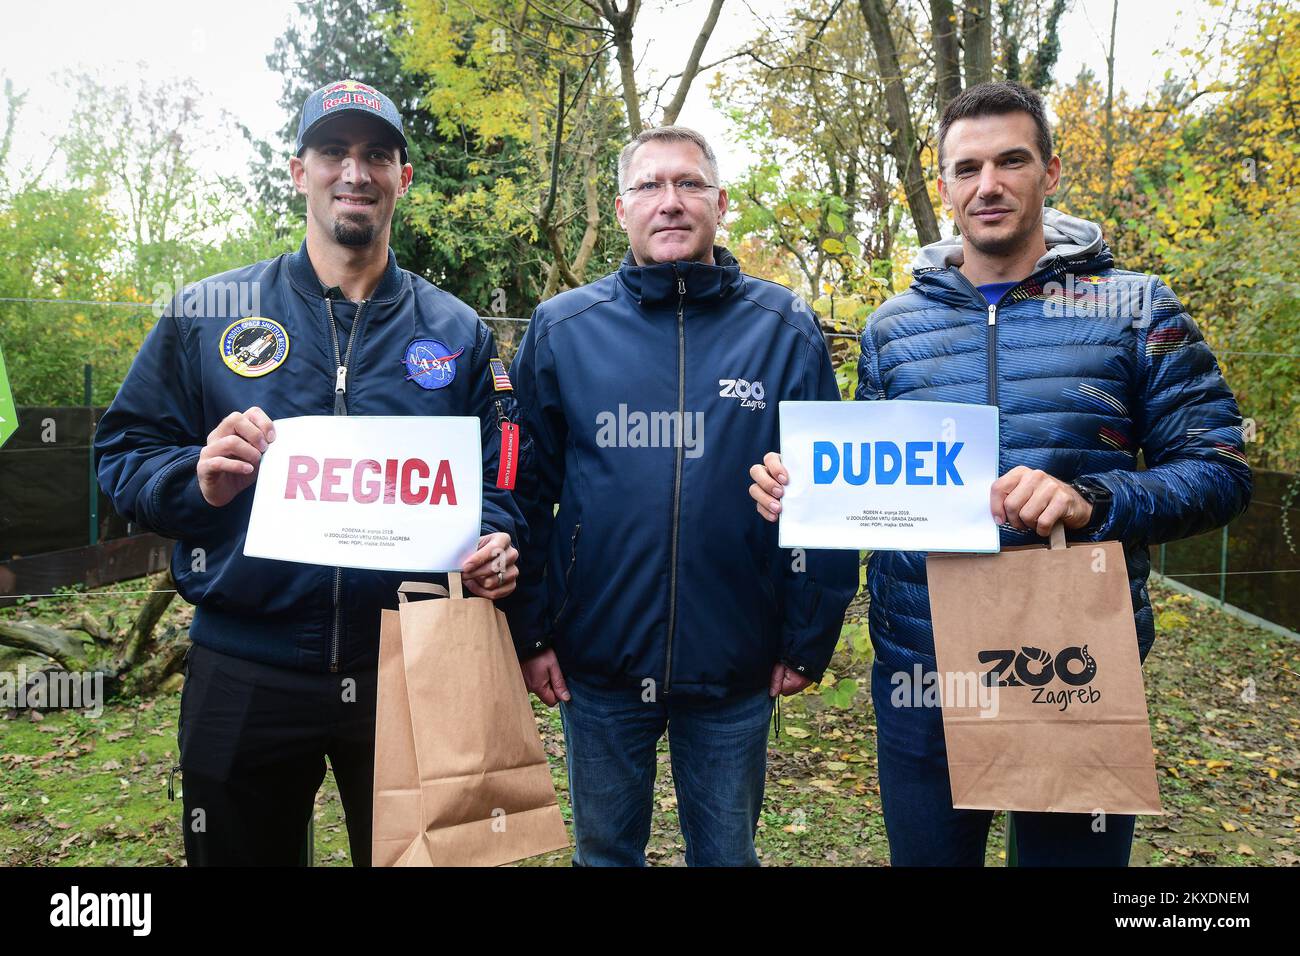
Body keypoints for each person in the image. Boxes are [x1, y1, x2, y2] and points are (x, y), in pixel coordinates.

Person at [747, 81, 1252, 866]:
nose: (990, 184)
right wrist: (803, 494)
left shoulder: (1132, 306)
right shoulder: (893, 328)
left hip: (1071, 664)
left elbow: (1220, 470)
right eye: (968, 167)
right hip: (924, 671)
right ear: (944, 187)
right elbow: (870, 486)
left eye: (1011, 160)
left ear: (1049, 173)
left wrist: (1093, 501)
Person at [94, 79, 524, 866]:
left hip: (413, 666)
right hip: (243, 664)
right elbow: (121, 457)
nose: (354, 172)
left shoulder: (456, 330)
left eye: (376, 155)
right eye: (334, 152)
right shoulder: (207, 312)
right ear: (300, 171)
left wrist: (497, 541)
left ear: (403, 178)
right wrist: (195, 475)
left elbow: (502, 482)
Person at [504, 126, 859, 866]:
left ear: (720, 203)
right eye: (651, 186)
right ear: (623, 205)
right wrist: (530, 634)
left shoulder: (782, 328)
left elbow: (830, 494)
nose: (671, 202)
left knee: (727, 856)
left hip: (736, 663)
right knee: (604, 854)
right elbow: (524, 493)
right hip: (597, 661)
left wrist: (808, 637)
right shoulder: (562, 330)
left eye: (689, 184)